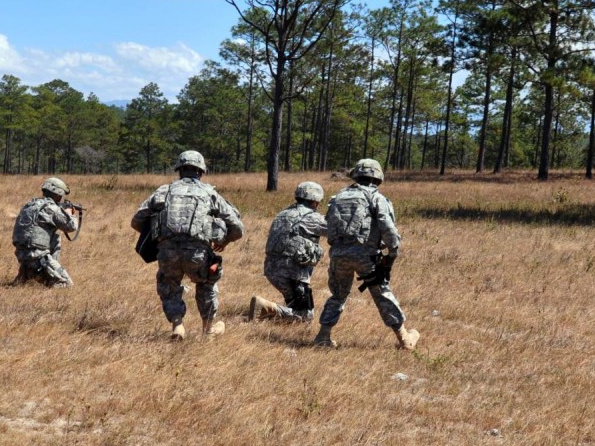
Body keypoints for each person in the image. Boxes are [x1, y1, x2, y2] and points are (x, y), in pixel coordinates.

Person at [131, 150, 244, 340]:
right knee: (207, 283)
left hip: (167, 253)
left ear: (179, 170)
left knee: (168, 283)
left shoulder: (164, 191)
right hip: (198, 254)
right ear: (201, 171)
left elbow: (136, 221)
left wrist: (157, 235)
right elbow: (238, 228)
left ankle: (178, 326)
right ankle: (207, 329)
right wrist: (224, 241)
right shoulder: (210, 193)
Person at [313, 158, 419, 350]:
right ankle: (405, 339)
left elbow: (328, 225)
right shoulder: (377, 198)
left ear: (356, 175)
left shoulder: (338, 197)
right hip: (366, 256)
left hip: (338, 254)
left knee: (338, 295)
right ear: (378, 177)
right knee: (382, 295)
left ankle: (323, 336)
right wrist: (393, 251)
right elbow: (387, 227)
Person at [249, 181, 327, 322]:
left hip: (271, 269)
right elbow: (336, 231)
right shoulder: (312, 217)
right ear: (315, 201)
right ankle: (265, 307)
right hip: (293, 272)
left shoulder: (282, 214)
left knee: (294, 306)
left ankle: (271, 314)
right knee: (305, 316)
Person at [12, 177, 78, 288]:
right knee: (67, 285)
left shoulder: (29, 205)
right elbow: (71, 227)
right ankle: (48, 281)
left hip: (22, 257)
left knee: (55, 237)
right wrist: (70, 214)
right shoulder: (51, 208)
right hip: (38, 259)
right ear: (58, 194)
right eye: (61, 196)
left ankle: (25, 275)